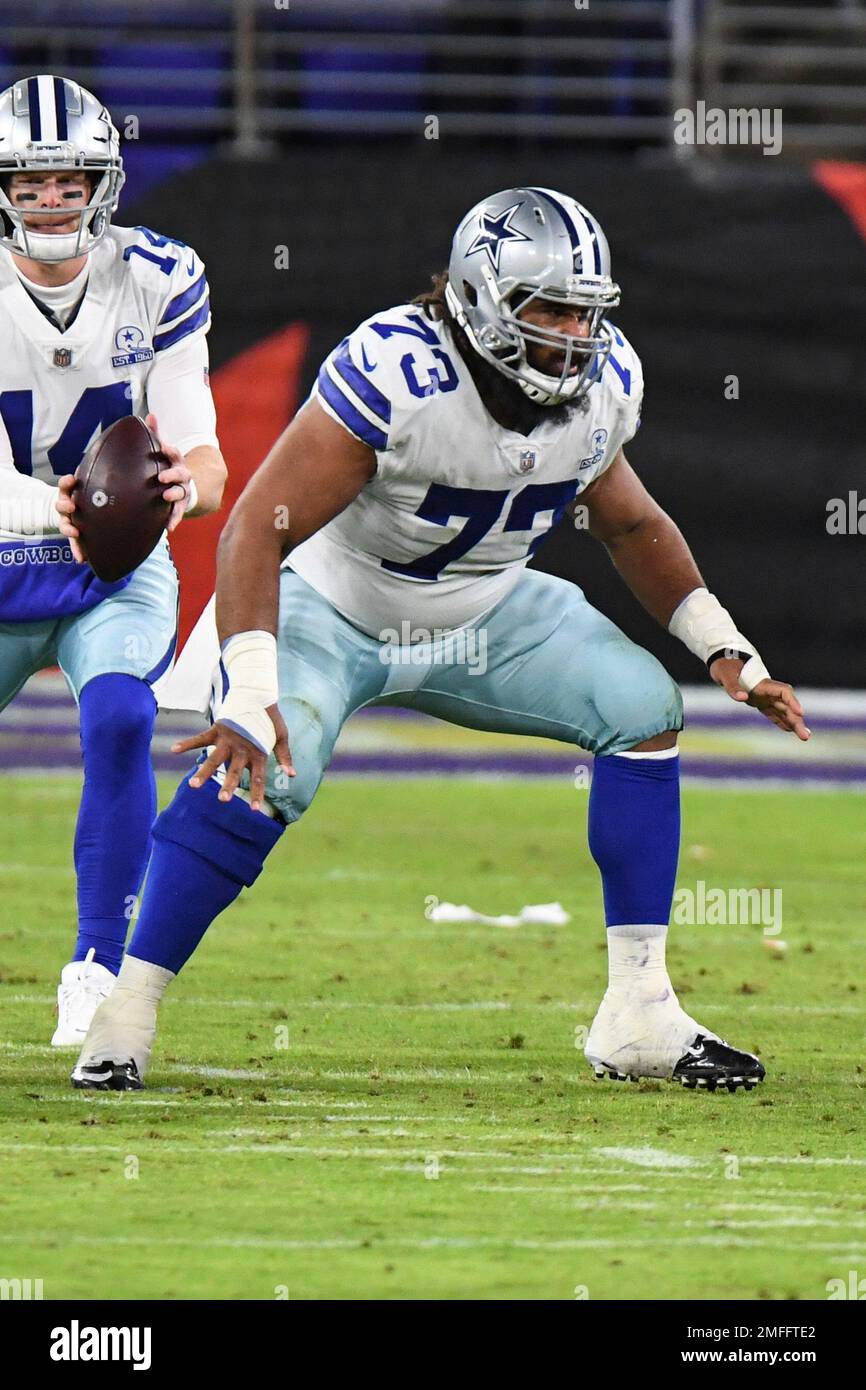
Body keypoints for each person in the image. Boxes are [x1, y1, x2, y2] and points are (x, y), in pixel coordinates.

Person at [72, 187, 808, 1093]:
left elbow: (627, 522)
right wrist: (251, 683)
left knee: (643, 708)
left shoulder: (606, 382)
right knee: (262, 762)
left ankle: (640, 1014)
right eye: (550, 310)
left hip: (484, 612)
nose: (574, 335)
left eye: (587, 312)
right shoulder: (398, 372)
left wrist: (724, 647)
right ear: (480, 298)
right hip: (334, 607)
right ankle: (127, 1010)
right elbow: (257, 525)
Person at [0, 75, 226, 1046]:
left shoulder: (161, 275)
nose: (52, 198)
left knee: (125, 714)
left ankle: (96, 966)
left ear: (107, 182)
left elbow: (205, 455)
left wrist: (181, 487)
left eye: (70, 178)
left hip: (112, 568)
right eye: (31, 180)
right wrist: (53, 507)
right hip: (5, 548)